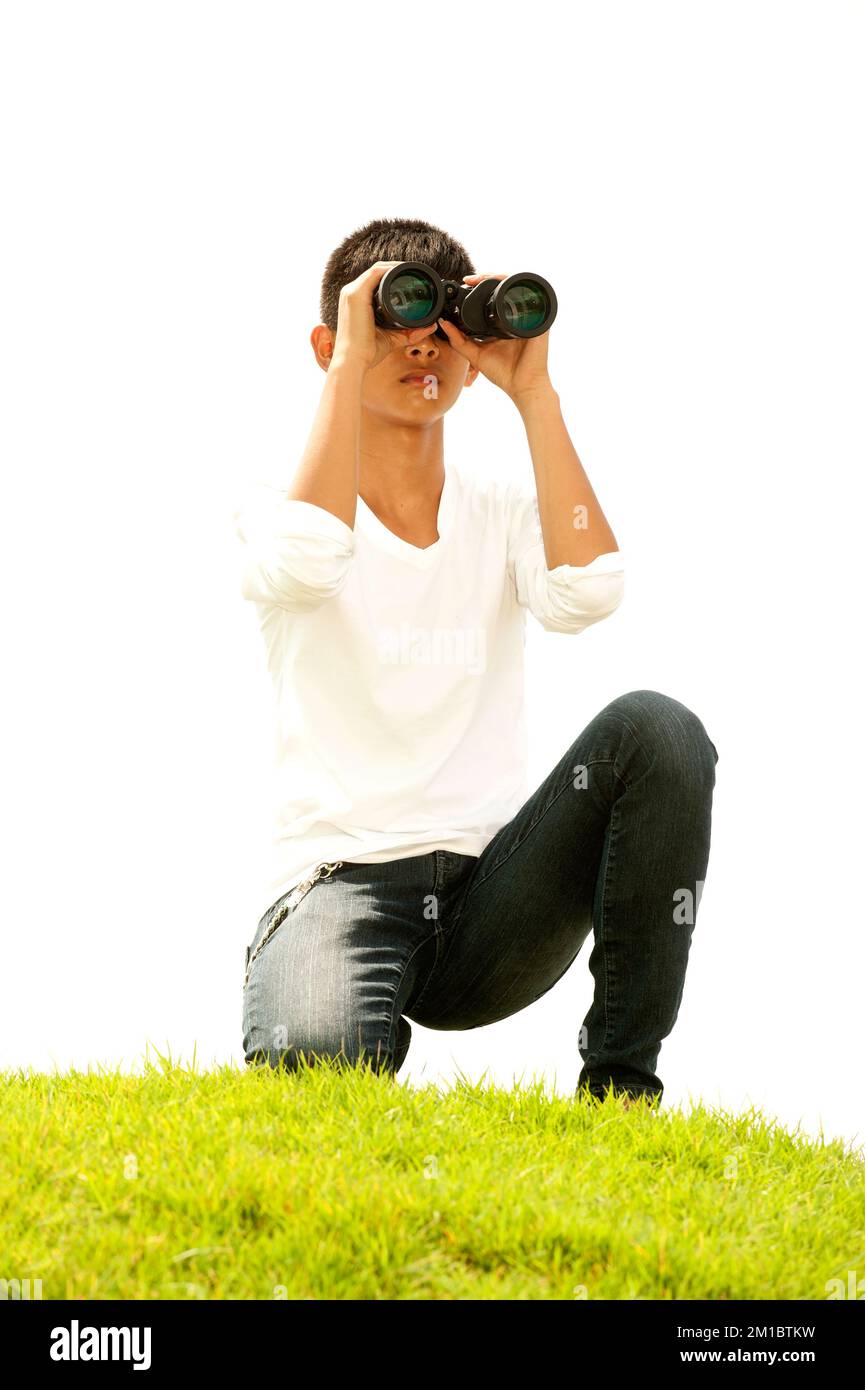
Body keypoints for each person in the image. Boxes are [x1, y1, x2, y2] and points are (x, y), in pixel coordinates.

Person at [234, 216, 718, 1105]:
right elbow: (307, 564)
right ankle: (341, 1006)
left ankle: (621, 1092)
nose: (422, 347)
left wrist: (534, 395)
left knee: (657, 729)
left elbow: (588, 592)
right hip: (340, 886)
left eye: (443, 327)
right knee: (317, 1081)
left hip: (494, 896)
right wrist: (349, 362)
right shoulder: (277, 504)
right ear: (330, 343)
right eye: (393, 322)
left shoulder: (499, 509)